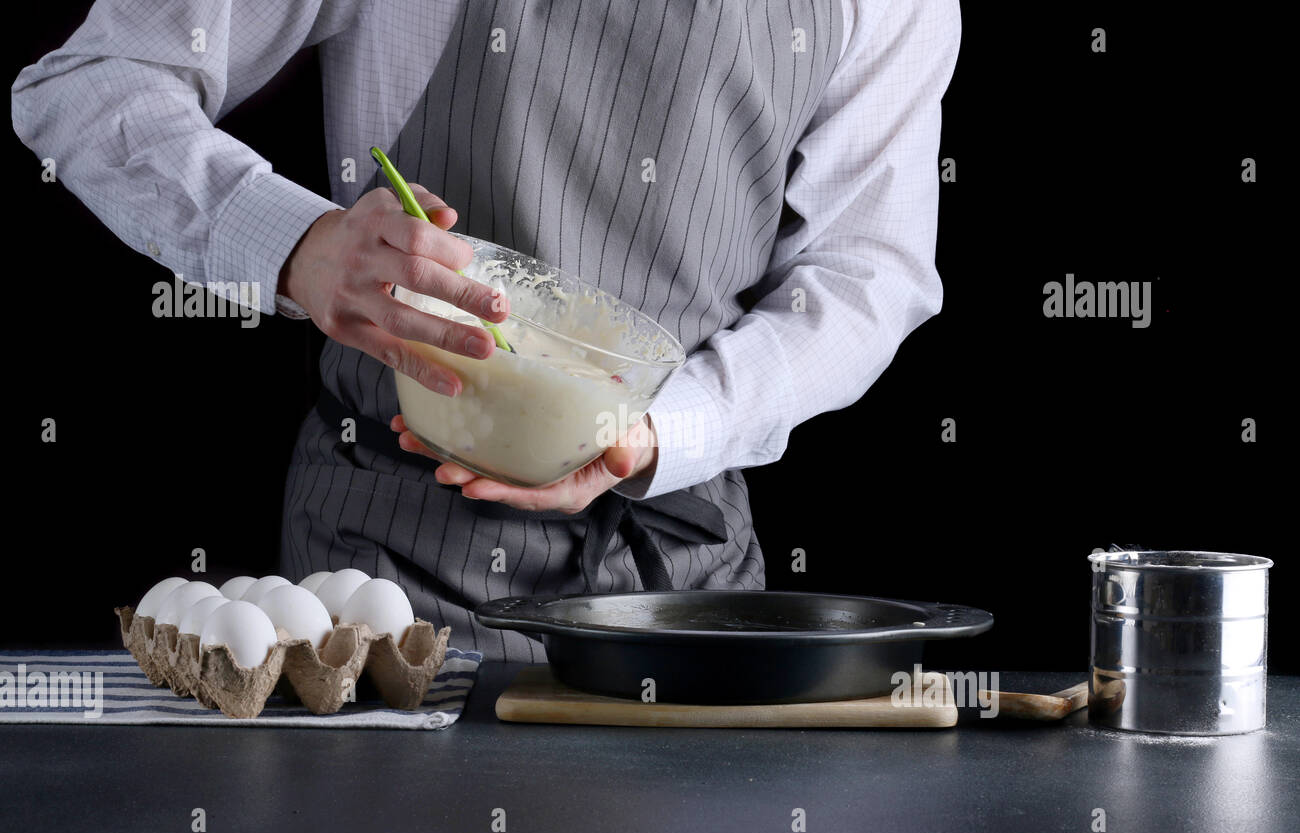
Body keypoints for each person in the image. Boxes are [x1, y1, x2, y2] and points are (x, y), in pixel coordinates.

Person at [14, 0, 960, 660]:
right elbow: (94, 81)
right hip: (386, 588)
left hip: (690, 594)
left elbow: (867, 272)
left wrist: (668, 431)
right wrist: (297, 245)